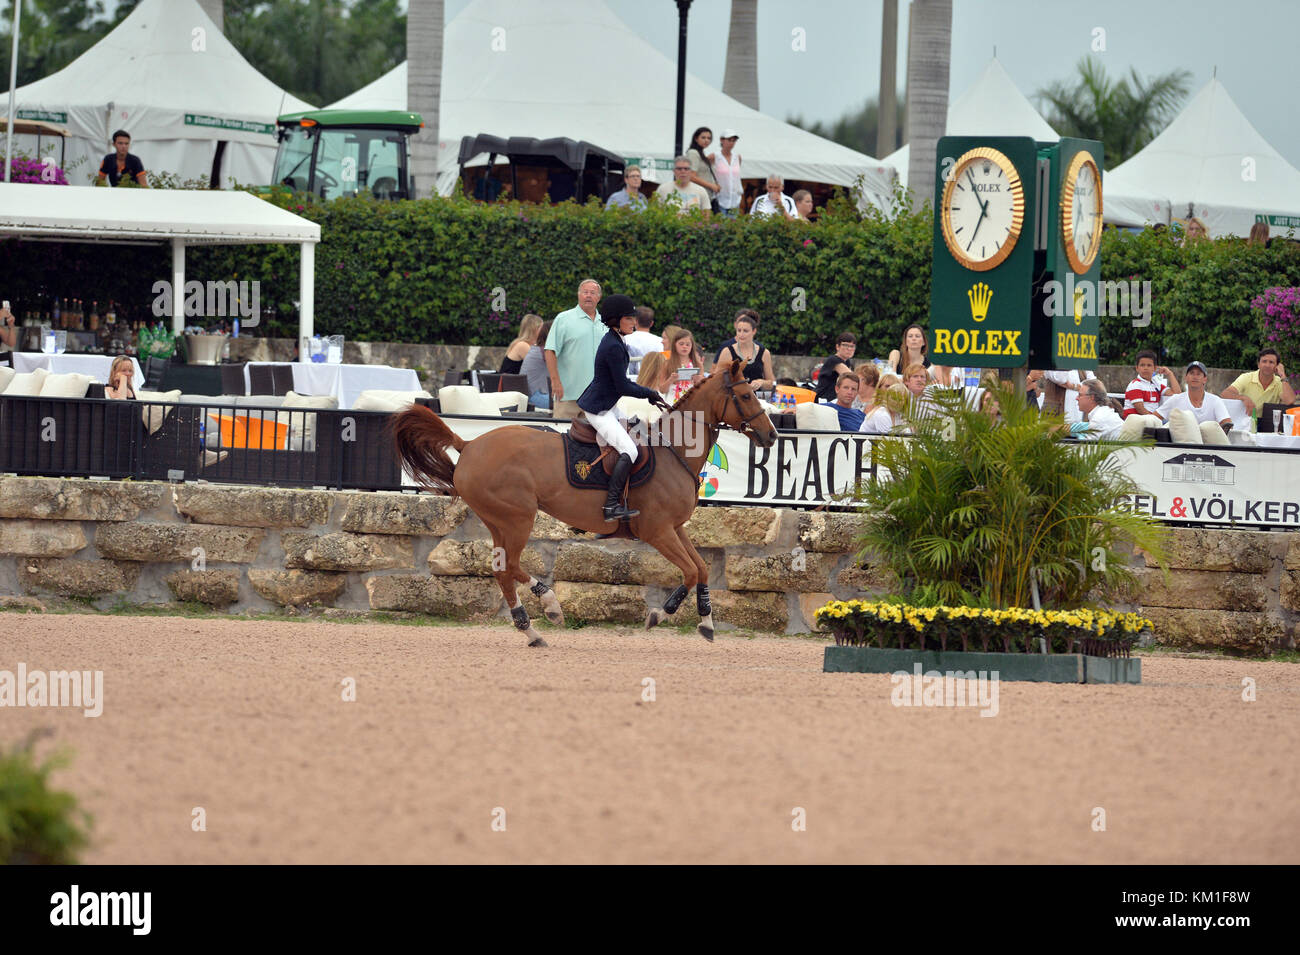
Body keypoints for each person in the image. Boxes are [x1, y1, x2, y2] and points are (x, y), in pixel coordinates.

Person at [576, 294, 671, 521]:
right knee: (630, 450)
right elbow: (622, 384)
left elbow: (621, 384)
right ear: (615, 320)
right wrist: (649, 393)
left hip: (608, 403)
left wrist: (649, 395)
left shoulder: (617, 340)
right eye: (629, 319)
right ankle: (610, 506)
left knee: (637, 428)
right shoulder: (613, 346)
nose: (634, 323)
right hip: (599, 409)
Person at [545, 278, 604, 419]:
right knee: (560, 437)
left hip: (596, 397)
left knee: (593, 440)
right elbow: (550, 351)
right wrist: (555, 381)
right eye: (585, 292)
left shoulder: (606, 323)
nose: (588, 295)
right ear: (578, 295)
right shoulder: (563, 319)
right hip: (567, 395)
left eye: (592, 292)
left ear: (599, 297)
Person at [1160, 361, 1233, 439]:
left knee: (1209, 426)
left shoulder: (1215, 400)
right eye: (1191, 373)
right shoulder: (1175, 399)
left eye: (1198, 374)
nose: (1195, 377)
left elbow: (1227, 425)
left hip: (1209, 446)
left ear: (1205, 379)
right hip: (1182, 446)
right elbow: (1154, 418)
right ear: (1186, 378)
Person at [711, 310, 775, 391]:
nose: (741, 334)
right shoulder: (727, 351)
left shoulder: (764, 353)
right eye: (739, 330)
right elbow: (716, 380)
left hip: (756, 399)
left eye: (745, 331)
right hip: (733, 399)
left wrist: (761, 382)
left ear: (754, 331)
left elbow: (770, 384)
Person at [1222, 347, 1296, 415]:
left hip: (1267, 424)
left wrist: (1283, 375)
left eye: (1271, 362)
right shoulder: (1246, 377)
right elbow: (1225, 394)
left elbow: (1290, 401)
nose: (1267, 365)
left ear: (1277, 366)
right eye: (1264, 361)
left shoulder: (1280, 382)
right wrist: (1243, 398)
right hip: (1246, 423)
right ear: (1258, 364)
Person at [1122, 349, 1182, 418]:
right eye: (1142, 365)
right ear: (1137, 368)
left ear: (1155, 368)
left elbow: (1177, 394)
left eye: (1149, 365)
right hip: (1137, 421)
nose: (1145, 368)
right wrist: (1155, 420)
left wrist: (1170, 374)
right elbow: (1140, 410)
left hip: (1151, 420)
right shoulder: (1135, 385)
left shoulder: (1156, 384)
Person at [622, 306, 663, 378]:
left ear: (635, 321)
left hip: (630, 380)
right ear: (651, 323)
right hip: (653, 379)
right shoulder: (660, 341)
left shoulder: (625, 339)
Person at [520, 320, 553, 409]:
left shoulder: (538, 349)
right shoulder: (544, 351)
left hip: (532, 394)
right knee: (572, 403)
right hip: (536, 396)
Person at [815, 332, 857, 401]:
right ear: (837, 347)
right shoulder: (833, 360)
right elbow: (852, 378)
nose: (849, 349)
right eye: (845, 345)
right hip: (823, 400)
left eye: (852, 346)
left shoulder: (847, 361)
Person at [665, 328, 705, 402]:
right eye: (681, 344)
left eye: (688, 344)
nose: (684, 346)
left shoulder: (697, 364)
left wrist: (700, 380)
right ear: (674, 345)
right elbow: (662, 390)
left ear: (692, 346)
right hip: (672, 404)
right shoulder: (667, 363)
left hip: (693, 403)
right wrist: (670, 380)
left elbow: (703, 389)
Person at [684, 127, 720, 208]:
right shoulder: (693, 153)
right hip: (697, 197)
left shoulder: (701, 153)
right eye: (703, 137)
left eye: (709, 138)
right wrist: (711, 185)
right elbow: (691, 176)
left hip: (705, 196)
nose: (706, 140)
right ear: (696, 138)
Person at [714, 129, 742, 218]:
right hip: (720, 199)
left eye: (734, 141)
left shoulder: (737, 157)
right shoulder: (714, 156)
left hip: (735, 200)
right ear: (722, 140)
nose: (731, 143)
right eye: (729, 140)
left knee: (733, 228)